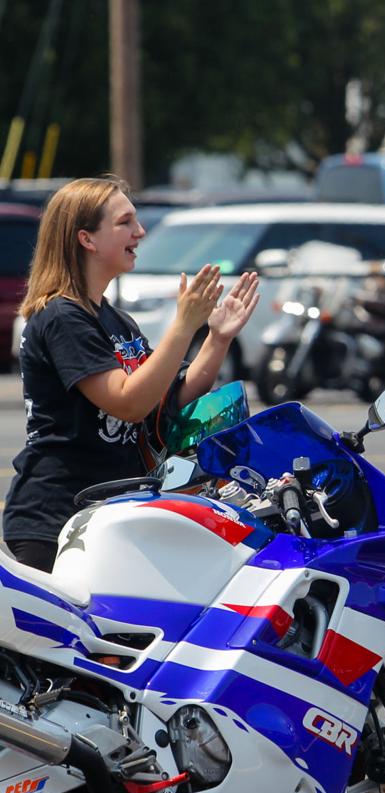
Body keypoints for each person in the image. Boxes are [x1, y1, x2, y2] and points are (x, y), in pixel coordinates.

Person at [2, 176, 259, 572]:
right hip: (57, 521)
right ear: (86, 239)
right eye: (125, 223)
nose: (140, 232)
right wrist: (183, 326)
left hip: (110, 515)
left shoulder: (115, 320)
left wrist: (217, 339)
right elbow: (128, 403)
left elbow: (167, 397)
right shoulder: (61, 317)